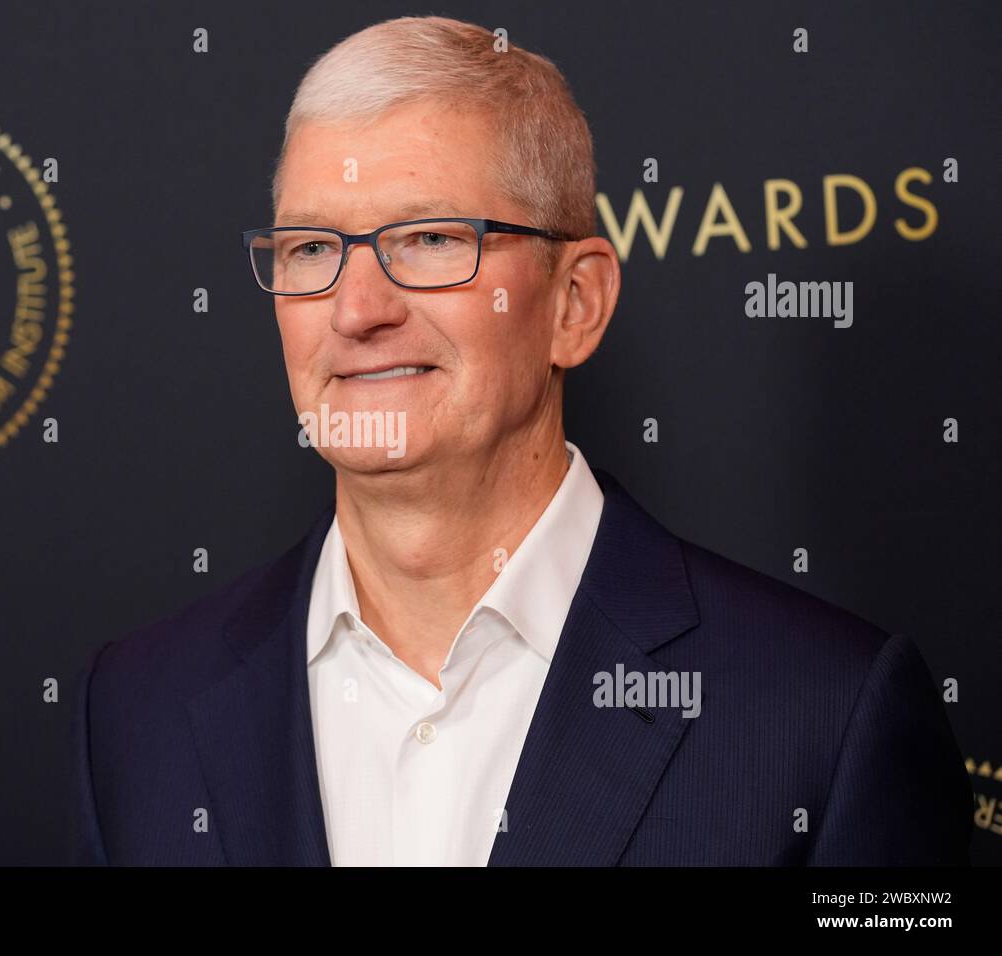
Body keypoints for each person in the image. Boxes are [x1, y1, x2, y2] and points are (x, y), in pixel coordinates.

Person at [69, 15, 971, 866]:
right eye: (311, 249)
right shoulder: (140, 707)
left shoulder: (824, 712)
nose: (355, 309)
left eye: (426, 238)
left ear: (574, 304)